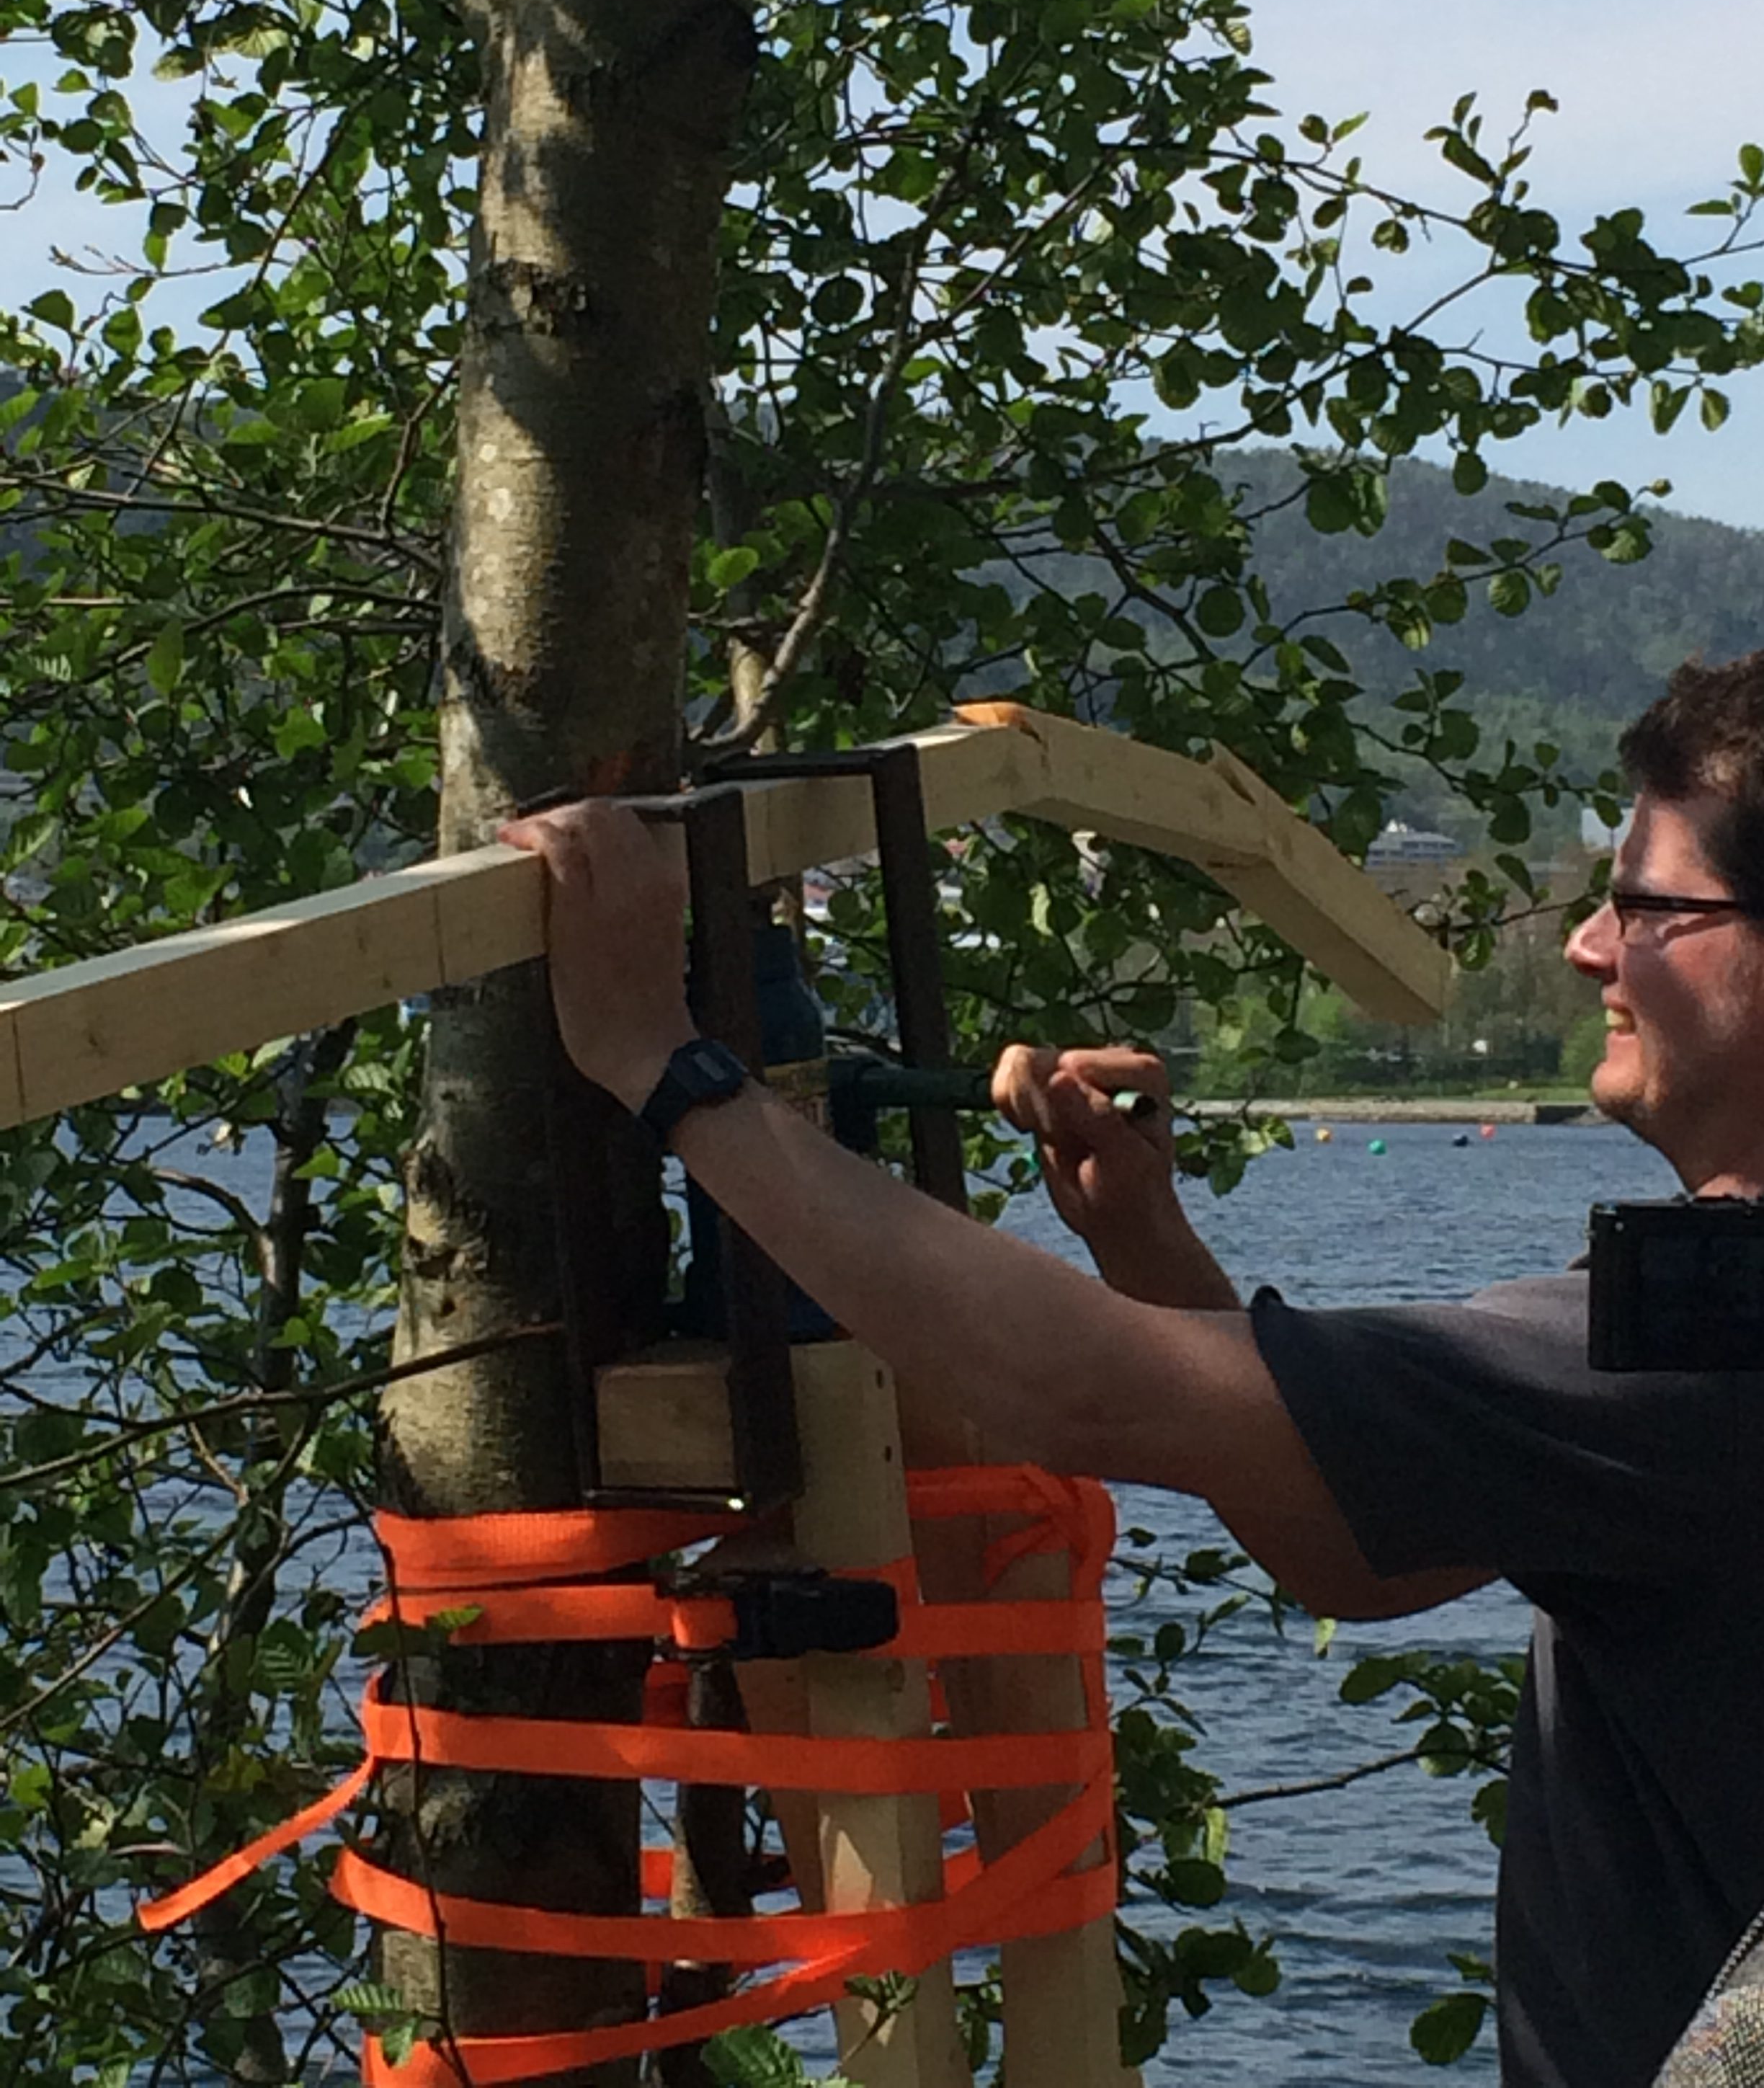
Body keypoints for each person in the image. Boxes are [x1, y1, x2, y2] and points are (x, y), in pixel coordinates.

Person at [499, 650, 1764, 2088]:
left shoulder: (1714, 1347)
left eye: (1649, 907)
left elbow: (1069, 1394)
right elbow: (1371, 1559)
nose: (1589, 947)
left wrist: (665, 1066)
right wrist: (1147, 1243)